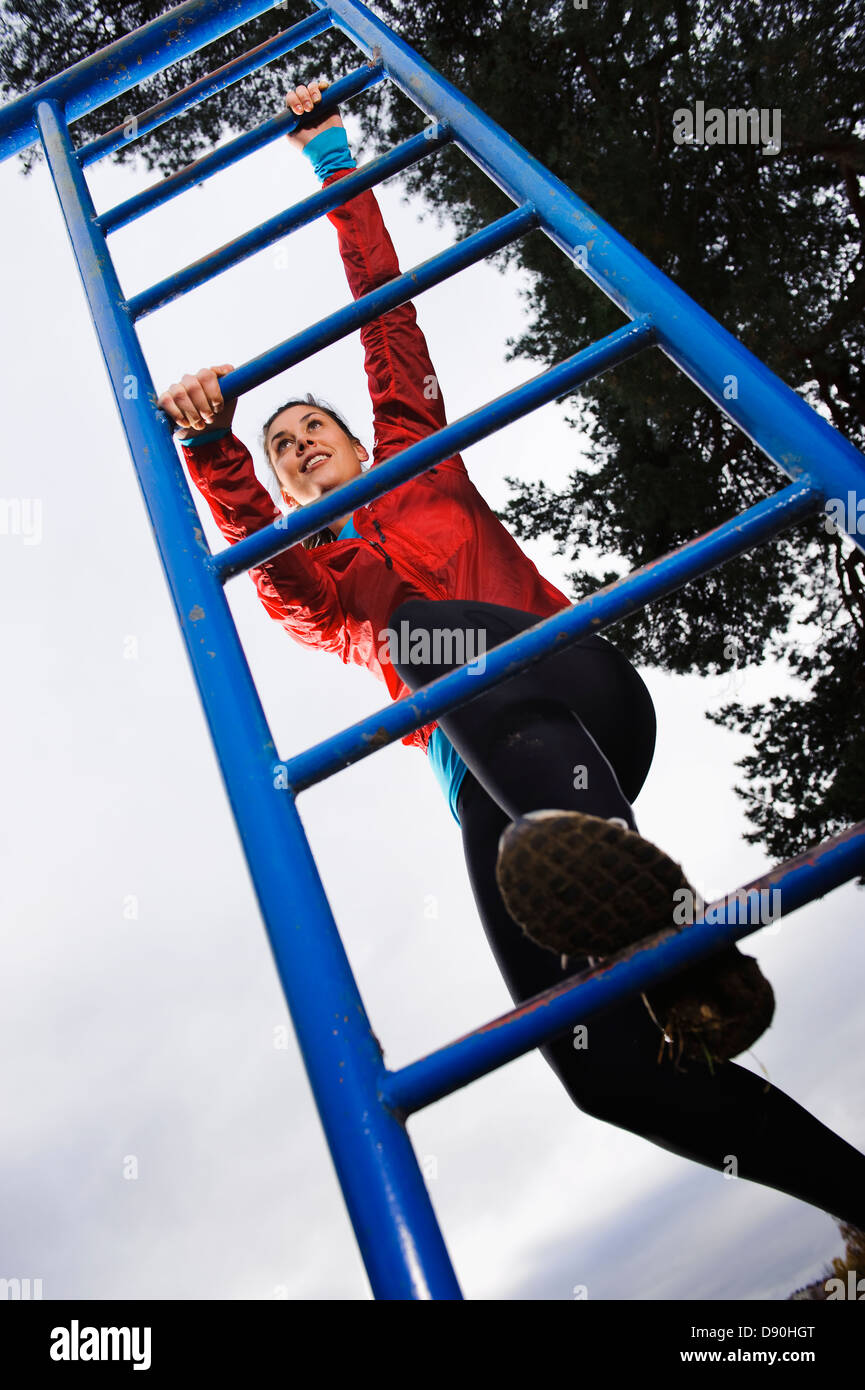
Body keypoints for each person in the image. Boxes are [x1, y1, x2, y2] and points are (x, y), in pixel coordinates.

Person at [158, 79, 865, 1275]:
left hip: (573, 689)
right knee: (598, 1069)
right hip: (497, 801)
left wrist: (331, 155)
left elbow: (388, 321)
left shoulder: (420, 469)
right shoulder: (316, 591)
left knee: (433, 638)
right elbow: (266, 567)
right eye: (280, 453)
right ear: (281, 494)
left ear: (356, 434)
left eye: (310, 428)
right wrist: (209, 441)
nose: (298, 444)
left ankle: (666, 934)